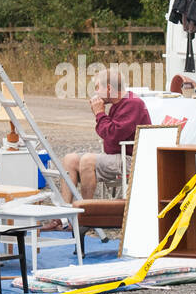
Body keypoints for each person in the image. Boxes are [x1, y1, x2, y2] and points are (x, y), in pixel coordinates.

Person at [61, 68, 152, 202]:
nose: (96, 92)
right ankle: (65, 214)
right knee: (70, 159)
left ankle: (86, 213)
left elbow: (113, 135)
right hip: (116, 156)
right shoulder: (119, 103)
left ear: (109, 88)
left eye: (97, 87)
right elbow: (107, 133)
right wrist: (100, 115)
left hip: (131, 159)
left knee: (87, 160)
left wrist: (99, 113)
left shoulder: (133, 103)